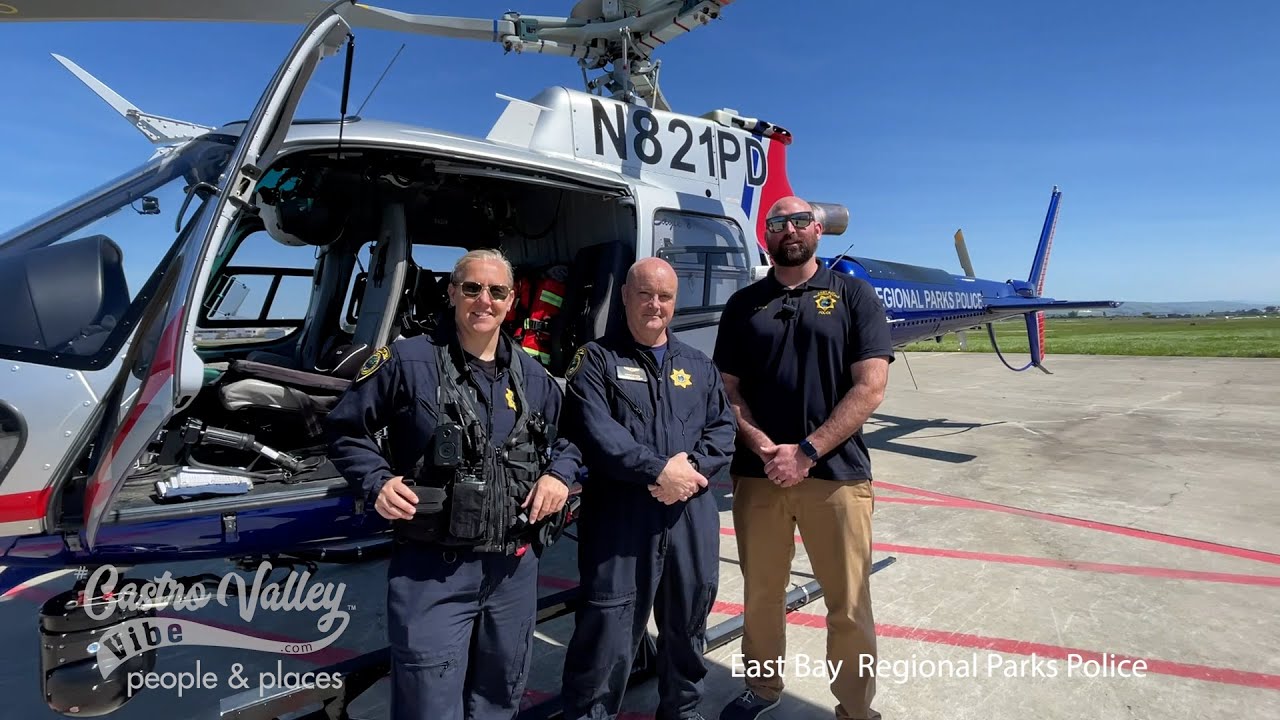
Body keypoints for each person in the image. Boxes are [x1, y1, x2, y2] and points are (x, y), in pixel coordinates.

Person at [324, 248, 583, 720]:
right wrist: (376, 481)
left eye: (496, 291)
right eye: (472, 288)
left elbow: (571, 437)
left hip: (513, 571)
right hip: (433, 571)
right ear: (452, 293)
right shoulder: (407, 361)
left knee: (500, 696)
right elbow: (345, 429)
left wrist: (559, 475)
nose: (484, 300)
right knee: (428, 704)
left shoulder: (533, 375)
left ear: (511, 303)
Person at [713, 197, 894, 720]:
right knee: (762, 595)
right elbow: (728, 390)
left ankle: (856, 709)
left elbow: (871, 386)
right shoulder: (744, 304)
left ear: (818, 229)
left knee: (849, 603)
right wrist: (764, 446)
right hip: (760, 473)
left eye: (798, 222)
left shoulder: (853, 296)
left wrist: (809, 450)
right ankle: (763, 689)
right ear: (765, 235)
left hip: (835, 477)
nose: (788, 230)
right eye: (777, 223)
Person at [559, 257, 737, 720]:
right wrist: (660, 471)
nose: (654, 305)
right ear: (625, 297)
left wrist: (690, 469)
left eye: (664, 296)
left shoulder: (698, 365)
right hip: (621, 520)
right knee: (607, 632)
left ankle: (683, 710)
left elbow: (722, 430)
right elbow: (597, 433)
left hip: (689, 517)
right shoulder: (596, 360)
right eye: (644, 294)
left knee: (688, 623)